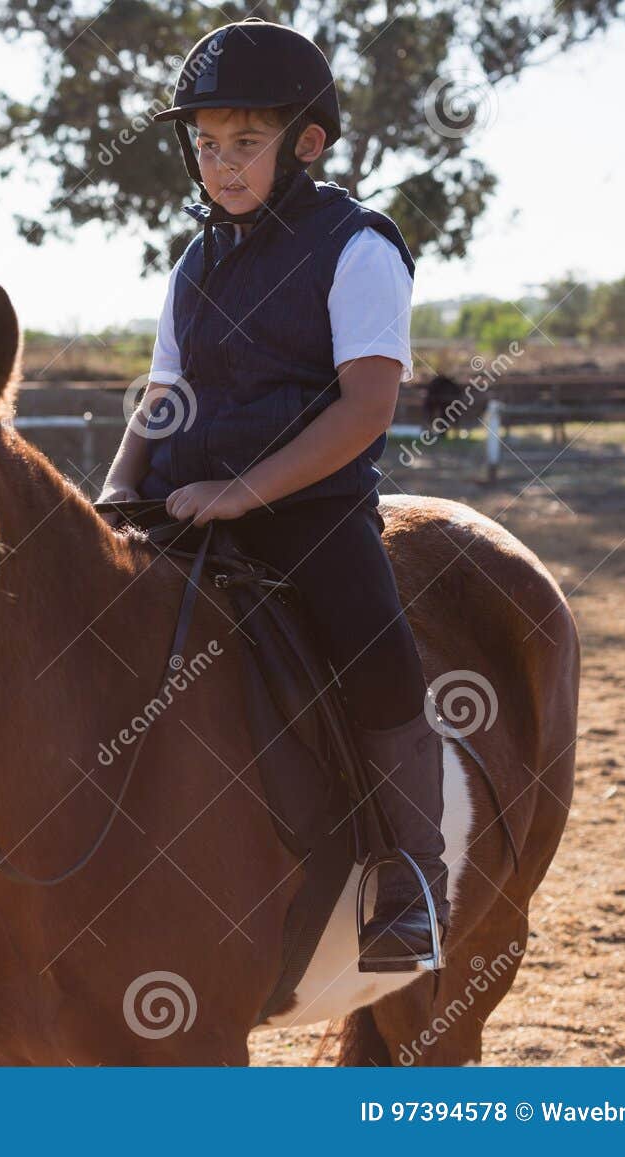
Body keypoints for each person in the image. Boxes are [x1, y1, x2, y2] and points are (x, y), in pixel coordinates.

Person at [97, 18, 449, 972]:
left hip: (309, 512)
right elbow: (163, 395)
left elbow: (368, 407)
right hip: (180, 498)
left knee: (372, 646)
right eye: (205, 144)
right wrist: (119, 489)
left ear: (307, 142)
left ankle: (412, 879)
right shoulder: (195, 260)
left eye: (243, 143)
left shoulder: (360, 246)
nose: (219, 164)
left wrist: (247, 492)